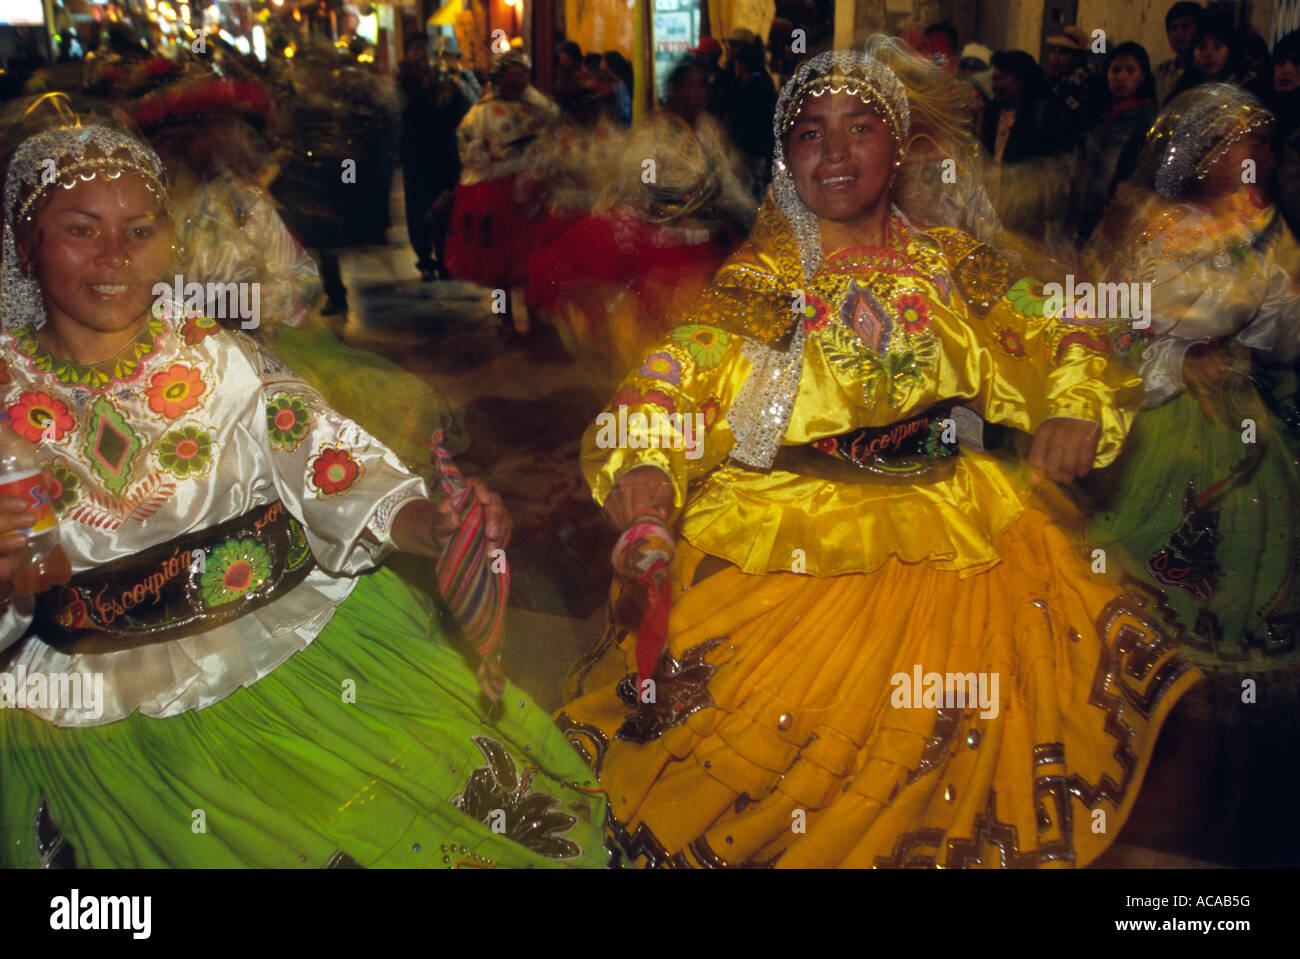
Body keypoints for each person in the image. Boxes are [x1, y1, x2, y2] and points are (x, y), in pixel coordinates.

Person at [556, 43, 1199, 868]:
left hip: (962, 533)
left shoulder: (955, 264)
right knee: (795, 760)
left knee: (966, 752)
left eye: (860, 128)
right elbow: (673, 376)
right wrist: (644, 458)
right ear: (787, 159)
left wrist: (1072, 403)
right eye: (812, 133)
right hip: (804, 542)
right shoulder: (762, 286)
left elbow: (1058, 324)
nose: (835, 152)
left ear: (898, 147)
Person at [0, 105, 609, 868]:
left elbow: (326, 461)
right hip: (101, 713)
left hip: (288, 645)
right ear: (27, 247)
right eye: (81, 229)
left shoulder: (216, 357)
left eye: (142, 229)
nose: (116, 255)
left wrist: (430, 523)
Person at [1081, 83, 1300, 671]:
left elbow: (1282, 330)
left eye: (1265, 146)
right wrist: (1178, 360)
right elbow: (1108, 327)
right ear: (1205, 148)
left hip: (1233, 420)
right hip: (1156, 418)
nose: (1267, 159)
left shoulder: (1258, 226)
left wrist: (1246, 337)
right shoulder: (1150, 224)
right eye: (1249, 144)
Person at [445, 52, 559, 339]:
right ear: (499, 78)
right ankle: (503, 316)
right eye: (513, 75)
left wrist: (530, 93)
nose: (519, 80)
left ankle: (534, 313)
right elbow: (469, 148)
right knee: (499, 265)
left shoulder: (533, 105)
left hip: (531, 189)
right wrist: (490, 156)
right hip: (498, 192)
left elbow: (554, 119)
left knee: (531, 257)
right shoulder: (482, 111)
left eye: (523, 74)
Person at [1064, 42, 1160, 248]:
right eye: (1115, 70)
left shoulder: (1150, 120)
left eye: (1130, 70)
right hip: (1082, 212)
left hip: (1119, 216)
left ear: (1142, 76)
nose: (1121, 77)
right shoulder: (1095, 114)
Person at [1153, 2, 1203, 105]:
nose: (1178, 34)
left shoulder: (1208, 70)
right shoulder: (1160, 73)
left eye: (1185, 27)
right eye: (1173, 28)